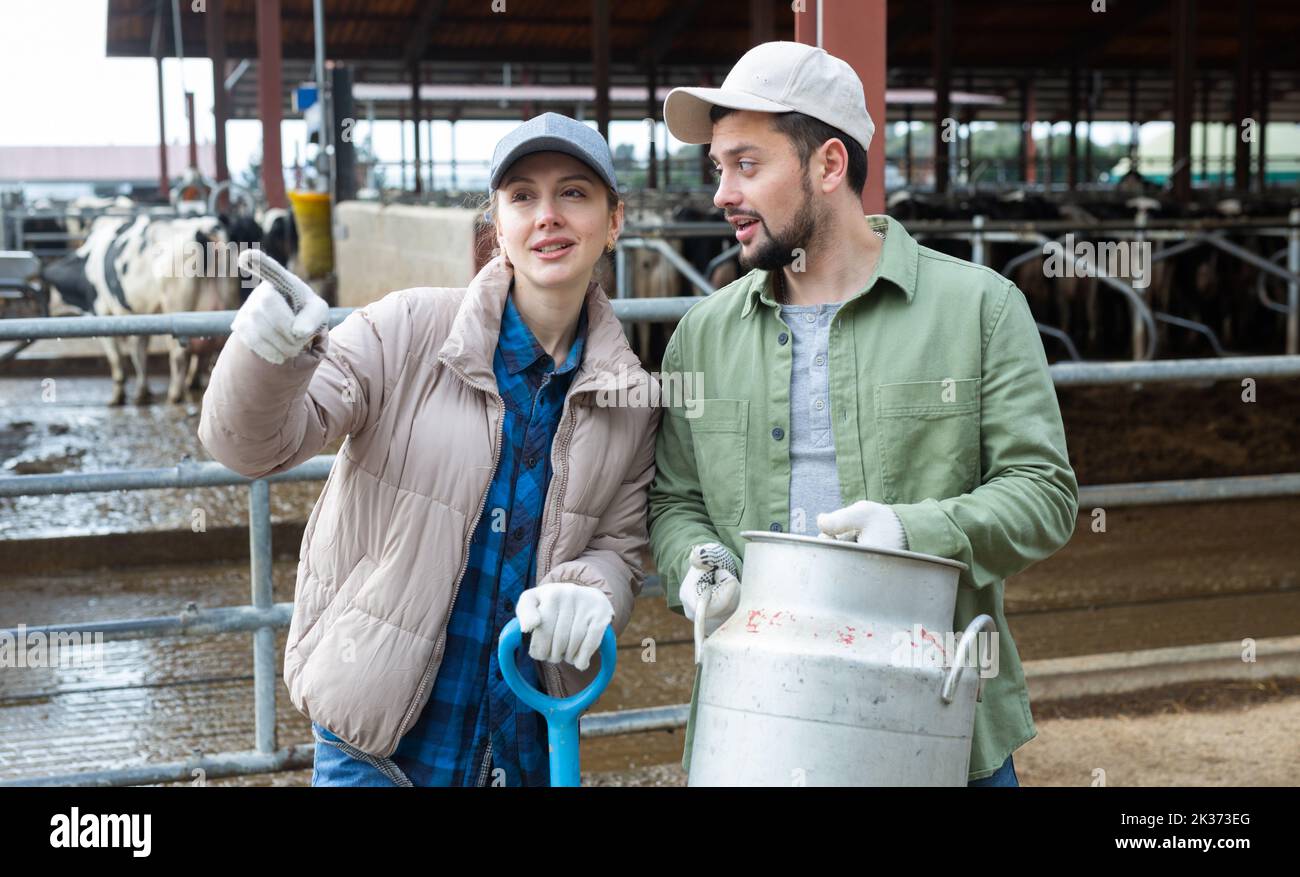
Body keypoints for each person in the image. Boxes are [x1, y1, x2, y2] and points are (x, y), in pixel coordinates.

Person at [649, 41, 1079, 787]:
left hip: (938, 729)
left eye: (747, 164)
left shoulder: (979, 309)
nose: (721, 192)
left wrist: (914, 535)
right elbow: (676, 499)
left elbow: (1043, 492)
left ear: (829, 166)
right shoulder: (702, 336)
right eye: (718, 167)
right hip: (756, 724)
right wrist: (696, 563)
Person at [198, 111, 660, 786]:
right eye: (523, 196)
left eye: (575, 193)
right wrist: (267, 353)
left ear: (613, 221)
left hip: (525, 743)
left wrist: (589, 589)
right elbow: (253, 446)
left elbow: (618, 548)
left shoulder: (632, 399)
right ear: (496, 223)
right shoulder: (405, 329)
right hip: (377, 748)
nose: (547, 216)